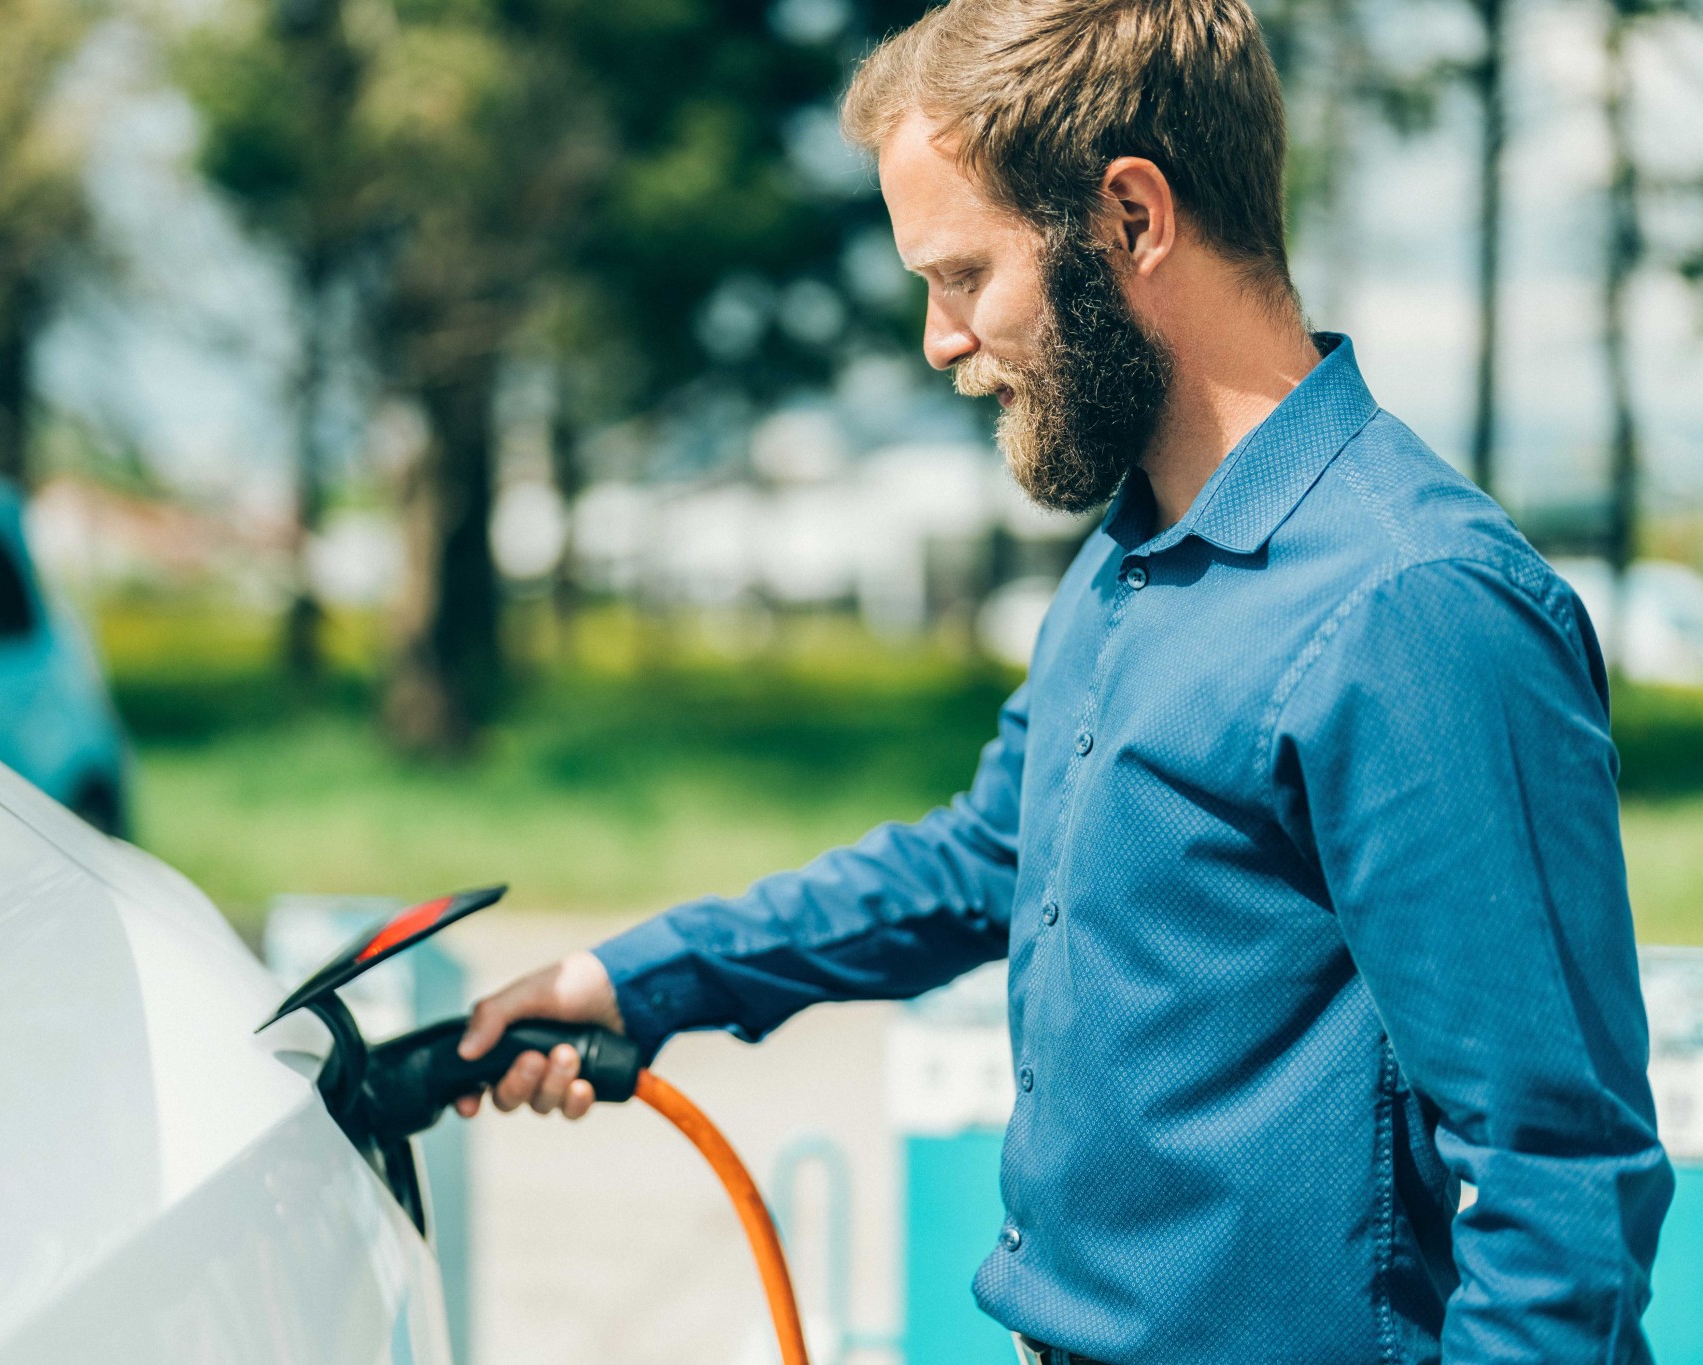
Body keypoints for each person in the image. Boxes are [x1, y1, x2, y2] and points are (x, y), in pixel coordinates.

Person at [454, 0, 1673, 1359]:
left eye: (965, 274)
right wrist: (637, 978)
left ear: (1132, 219)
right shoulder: (1137, 549)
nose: (939, 338)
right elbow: (987, 856)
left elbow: (1557, 1181)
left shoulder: (1414, 606)